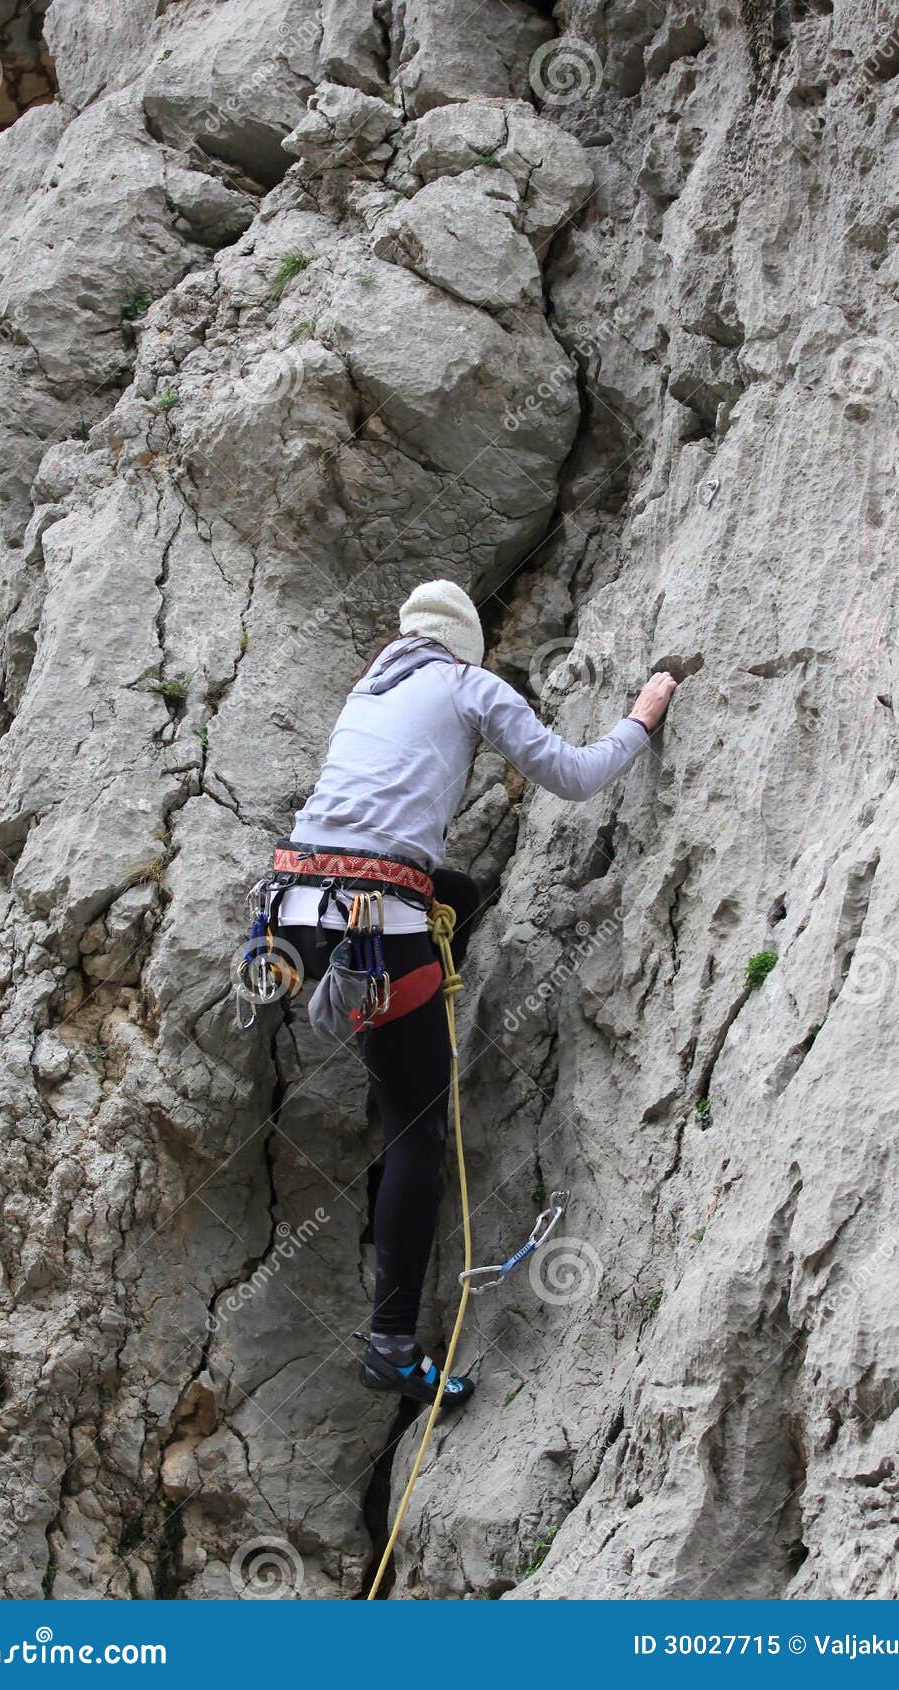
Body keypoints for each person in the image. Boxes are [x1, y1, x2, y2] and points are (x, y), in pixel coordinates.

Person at [272, 580, 677, 1407]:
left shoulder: (368, 686)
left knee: (456, 889)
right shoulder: (466, 683)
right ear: (465, 642)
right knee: (417, 1133)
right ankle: (391, 1346)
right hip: (379, 927)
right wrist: (640, 718)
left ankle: (359, 992)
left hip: (297, 909)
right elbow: (570, 774)